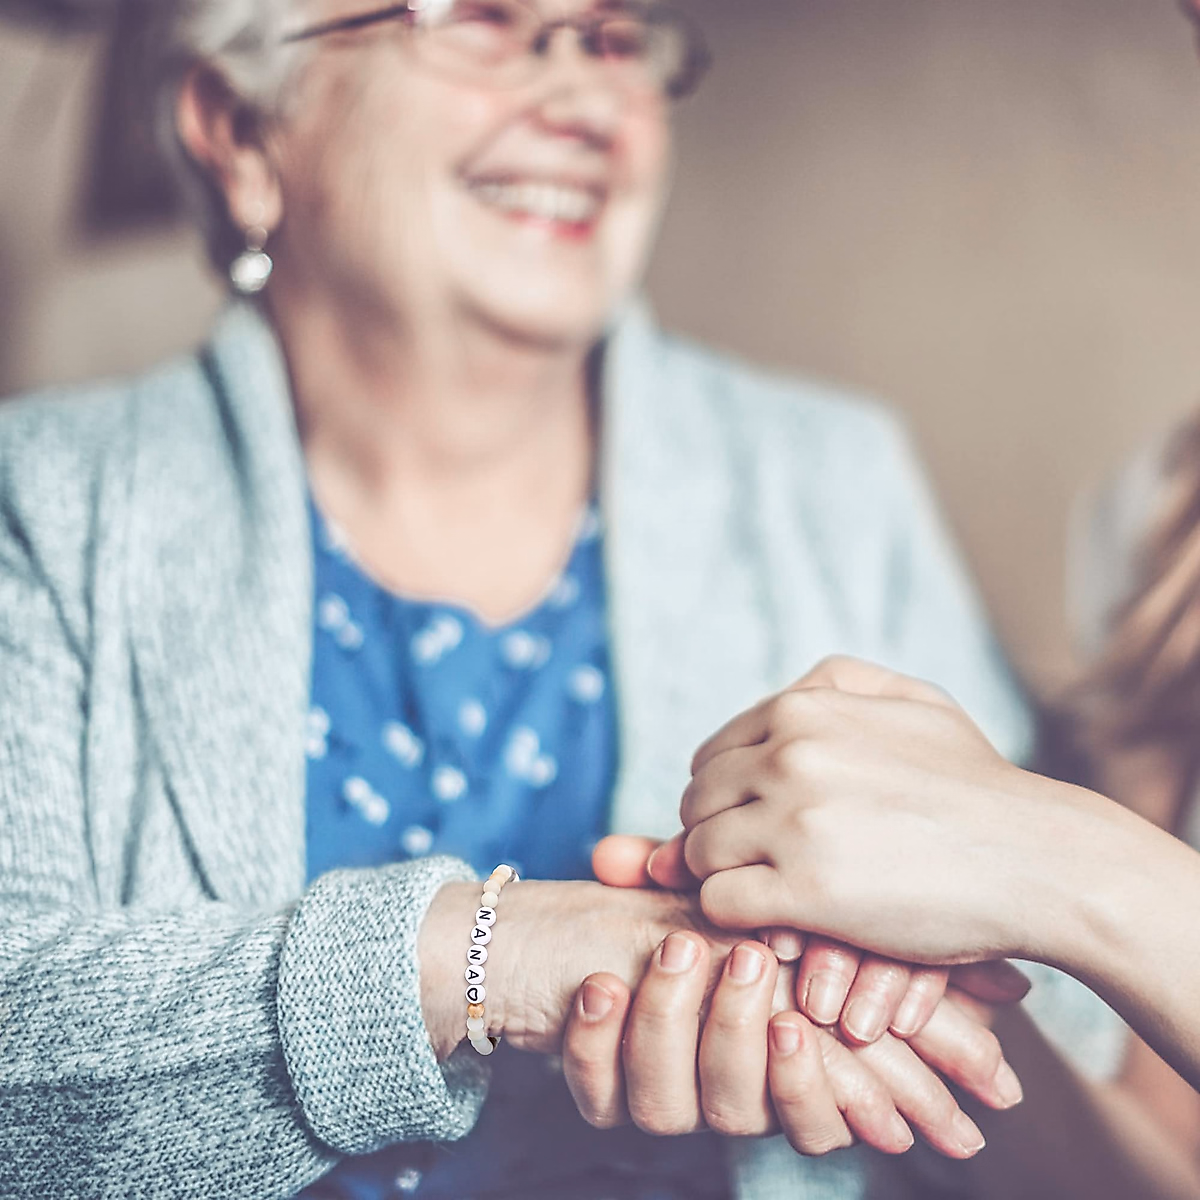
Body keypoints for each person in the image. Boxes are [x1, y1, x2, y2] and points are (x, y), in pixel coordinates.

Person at [0, 1, 1105, 1198]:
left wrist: (901, 990)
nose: (584, 101)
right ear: (240, 128)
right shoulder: (45, 503)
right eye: (483, 18)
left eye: (614, 37)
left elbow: (1058, 1061)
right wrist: (492, 954)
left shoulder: (833, 480)